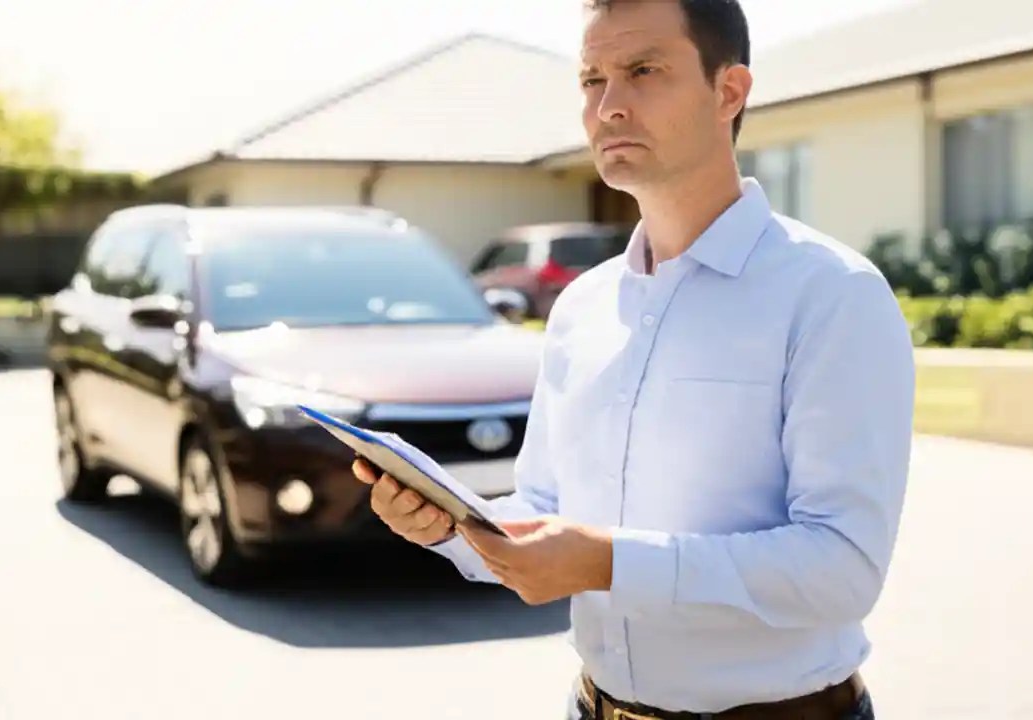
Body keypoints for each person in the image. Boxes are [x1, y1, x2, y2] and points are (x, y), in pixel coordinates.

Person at [351, 1, 915, 717]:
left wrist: (606, 560)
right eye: (591, 80)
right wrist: (453, 529)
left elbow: (843, 568)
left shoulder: (833, 294)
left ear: (729, 92)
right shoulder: (582, 308)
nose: (608, 107)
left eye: (642, 71)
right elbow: (546, 510)